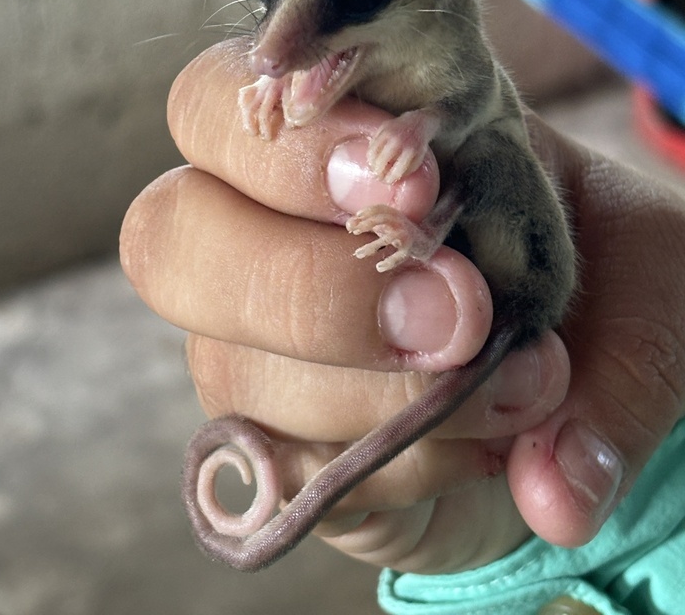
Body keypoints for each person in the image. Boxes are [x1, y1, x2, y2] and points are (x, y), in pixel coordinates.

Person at [120, 40, 685, 613]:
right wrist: (504, 554)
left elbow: (468, 115)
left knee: (477, 160)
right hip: (549, 400)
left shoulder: (443, 55)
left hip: (521, 266)